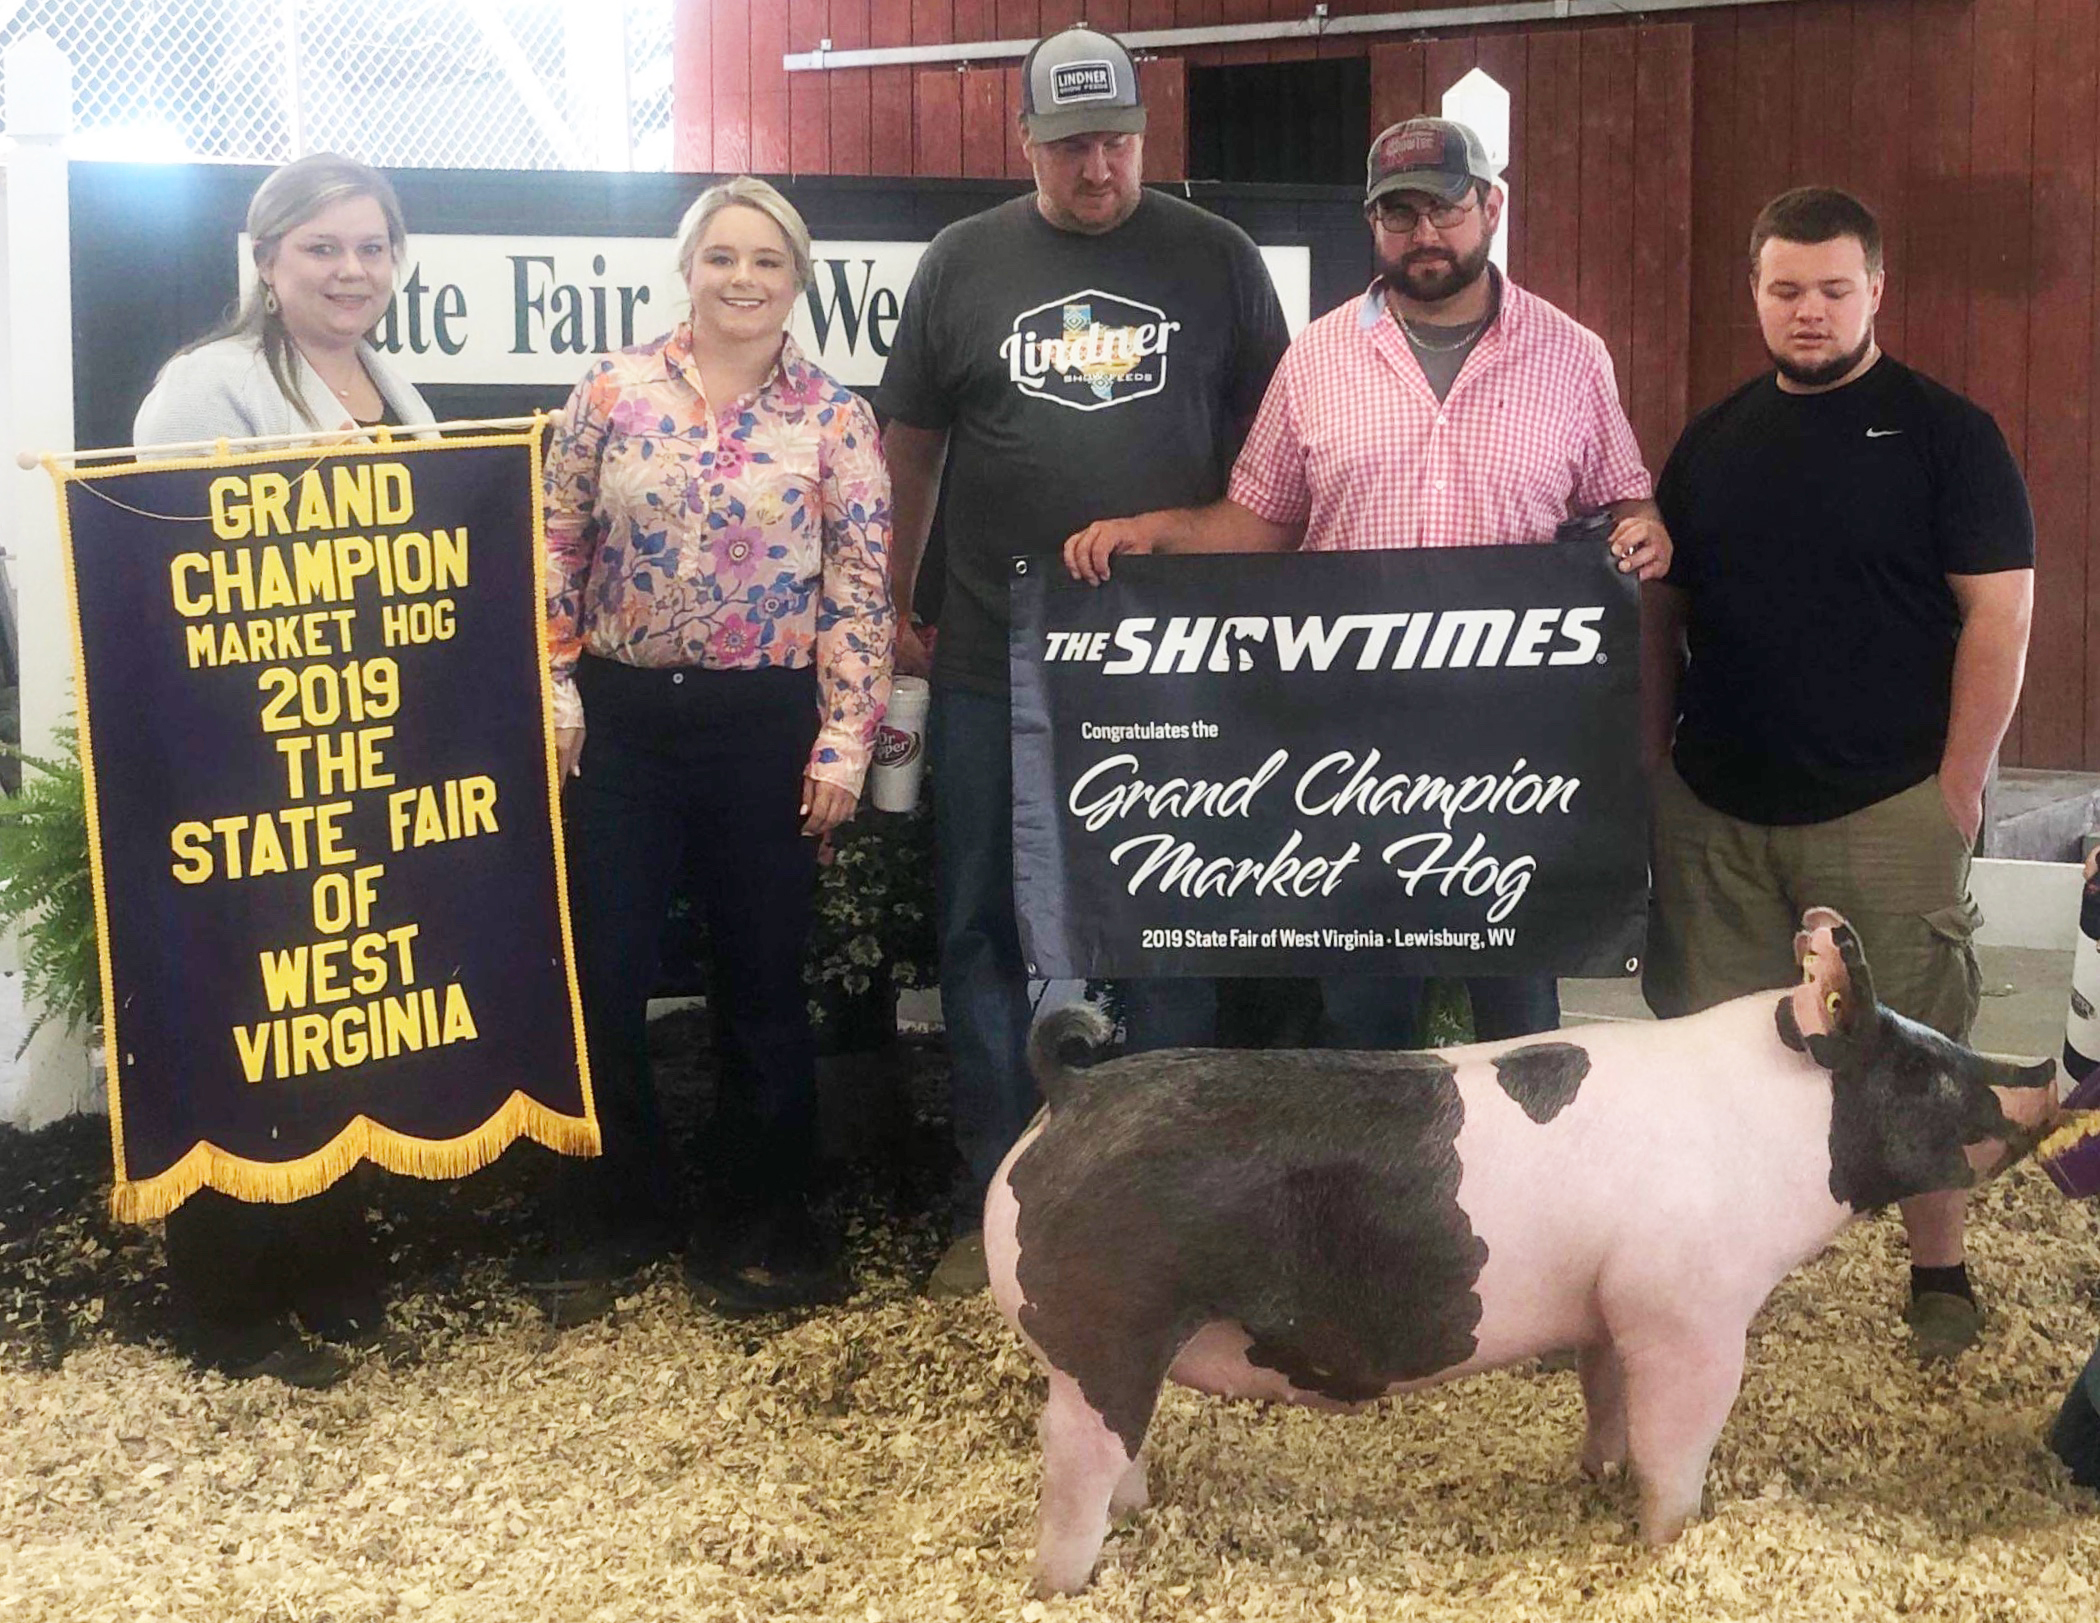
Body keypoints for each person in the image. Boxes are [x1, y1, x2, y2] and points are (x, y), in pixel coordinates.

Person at [1065, 115, 1669, 1053]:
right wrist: (1156, 534)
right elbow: (1261, 521)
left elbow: (1624, 498)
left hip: (1512, 752)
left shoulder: (1573, 354)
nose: (1425, 234)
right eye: (1399, 215)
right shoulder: (1316, 357)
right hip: (1353, 755)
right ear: (1372, 224)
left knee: (1519, 1024)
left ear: (1492, 207)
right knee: (1363, 1023)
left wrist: (1645, 528)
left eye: (1446, 209)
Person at [878, 24, 1292, 1298]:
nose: (1096, 168)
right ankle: (1002, 1207)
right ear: (1026, 144)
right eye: (1069, 148)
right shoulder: (963, 263)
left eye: (1115, 141)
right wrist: (896, 596)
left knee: (1173, 922)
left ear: (1144, 134)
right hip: (990, 655)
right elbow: (908, 446)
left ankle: (1176, 1213)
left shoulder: (1217, 258)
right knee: (981, 927)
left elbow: (1278, 457)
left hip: (1171, 657)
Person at [1639, 186, 2034, 1363]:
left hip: (1887, 803)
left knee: (1915, 1052)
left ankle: (1938, 1271)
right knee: (1718, 1055)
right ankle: (1723, 1268)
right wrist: (1656, 768)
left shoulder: (1948, 435)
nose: (1808, 311)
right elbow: (1662, 620)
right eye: (1785, 290)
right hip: (1717, 807)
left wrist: (1957, 787)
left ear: (1876, 290)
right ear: (1755, 295)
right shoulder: (1712, 442)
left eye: (1832, 289)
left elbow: (2000, 617)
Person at [542, 175, 894, 1317]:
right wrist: (554, 686)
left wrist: (843, 742)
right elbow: (556, 545)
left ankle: (763, 1216)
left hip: (763, 725)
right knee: (603, 970)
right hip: (623, 723)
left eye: (768, 261)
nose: (743, 278)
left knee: (761, 977)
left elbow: (859, 591)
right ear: (687, 268)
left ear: (798, 282)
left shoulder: (836, 418)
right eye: (723, 256)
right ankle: (617, 1209)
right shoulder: (610, 391)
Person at [133, 152, 435, 1386]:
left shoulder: (393, 384)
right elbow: (177, 574)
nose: (352, 270)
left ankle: (328, 1258)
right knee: (248, 1007)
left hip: (358, 745)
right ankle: (228, 1298)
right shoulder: (205, 385)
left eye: (372, 247)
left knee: (341, 1005)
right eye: (323, 248)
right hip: (243, 755)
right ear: (266, 262)